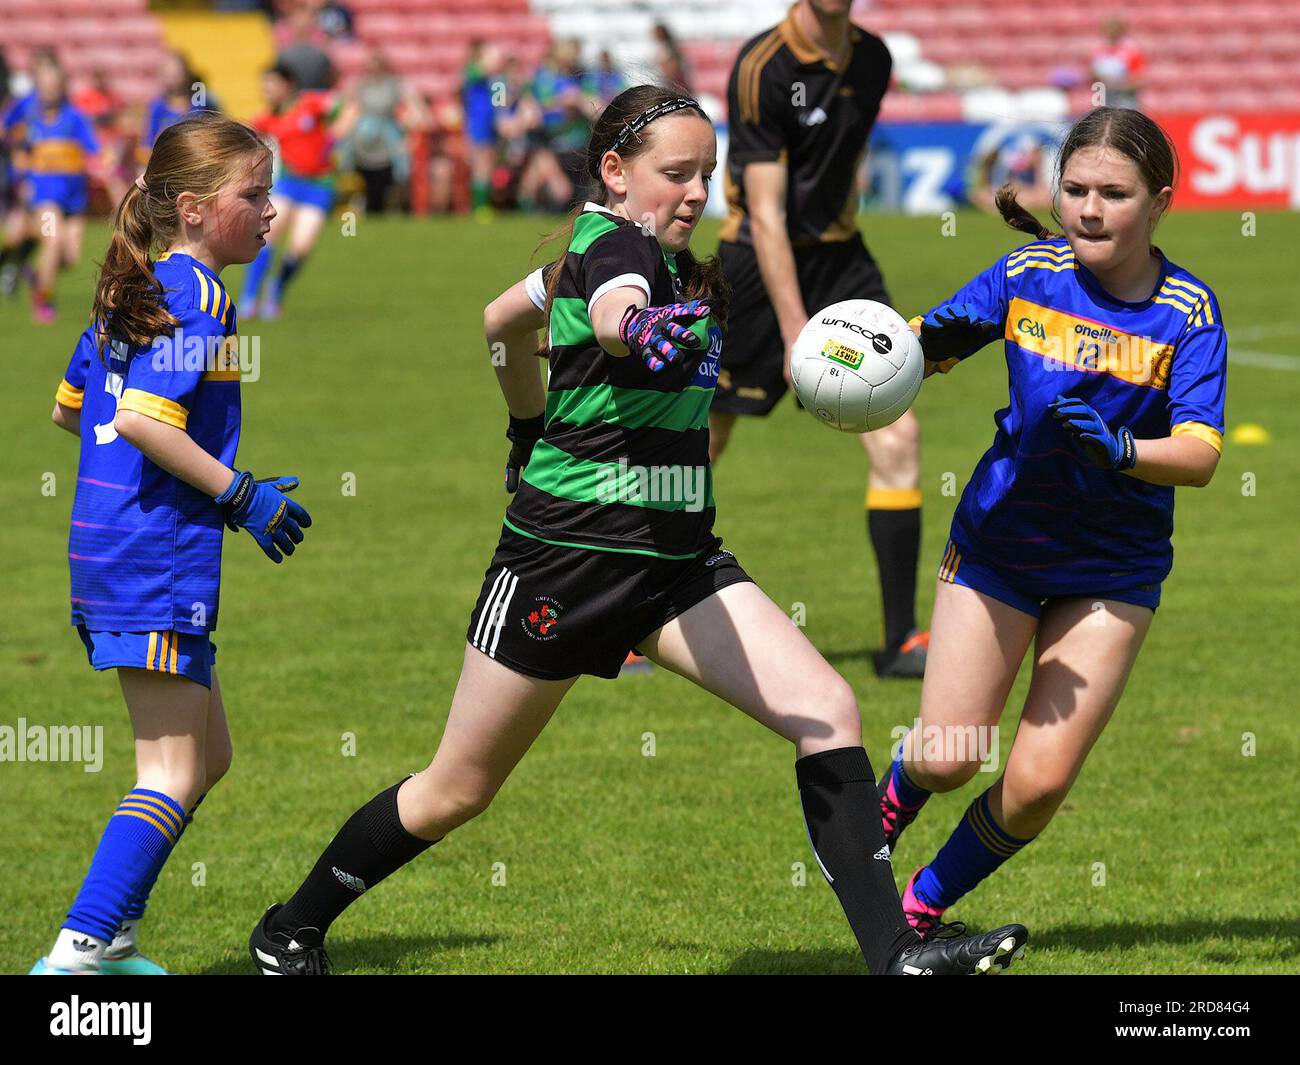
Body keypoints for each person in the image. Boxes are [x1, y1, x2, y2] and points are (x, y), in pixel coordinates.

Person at [248, 85, 1028, 977]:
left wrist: (526, 427)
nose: (697, 191)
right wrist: (631, 327)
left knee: (826, 709)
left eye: (708, 173)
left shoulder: (644, 254)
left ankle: (896, 954)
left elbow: (501, 320)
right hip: (563, 564)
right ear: (615, 172)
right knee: (455, 790)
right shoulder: (616, 247)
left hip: (677, 562)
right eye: (677, 173)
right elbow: (615, 314)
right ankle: (290, 928)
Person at [877, 107, 1225, 935]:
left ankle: (919, 908)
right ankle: (870, 823)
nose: (1089, 210)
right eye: (1074, 189)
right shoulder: (1026, 274)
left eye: (1114, 194)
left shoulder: (1188, 313)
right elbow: (919, 347)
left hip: (1113, 566)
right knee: (948, 757)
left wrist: (1125, 451)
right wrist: (846, 362)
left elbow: (1201, 453)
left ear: (1160, 202)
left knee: (1037, 784)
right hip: (999, 546)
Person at [32, 112, 311, 975]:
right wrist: (236, 491)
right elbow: (144, 422)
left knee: (206, 755)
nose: (271, 211)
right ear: (192, 209)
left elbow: (73, 410)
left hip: (113, 543)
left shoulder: (136, 284)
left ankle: (114, 939)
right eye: (253, 195)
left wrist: (190, 480)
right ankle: (77, 954)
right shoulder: (200, 295)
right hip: (155, 555)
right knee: (170, 771)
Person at [712, 0, 928, 678]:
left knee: (899, 434)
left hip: (842, 263)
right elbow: (766, 213)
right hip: (755, 263)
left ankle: (900, 641)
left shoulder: (875, 59)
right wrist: (794, 330)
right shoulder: (763, 67)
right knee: (696, 443)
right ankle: (625, 617)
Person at [241, 62, 356, 318]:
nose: (267, 92)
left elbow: (349, 107)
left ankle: (277, 288)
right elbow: (243, 133)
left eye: (272, 86)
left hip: (320, 185)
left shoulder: (310, 104)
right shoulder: (266, 118)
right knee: (268, 236)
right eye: (264, 87)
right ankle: (249, 297)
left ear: (288, 85)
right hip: (288, 183)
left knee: (301, 246)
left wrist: (334, 136)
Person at [6, 58, 98, 324]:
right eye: (44, 86)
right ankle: (43, 300)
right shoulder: (28, 114)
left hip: (74, 197)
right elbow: (12, 141)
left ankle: (35, 273)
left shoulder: (75, 117)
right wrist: (19, 173)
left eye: (54, 86)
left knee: (70, 256)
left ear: (62, 87)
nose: (48, 91)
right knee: (53, 239)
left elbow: (93, 150)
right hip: (43, 196)